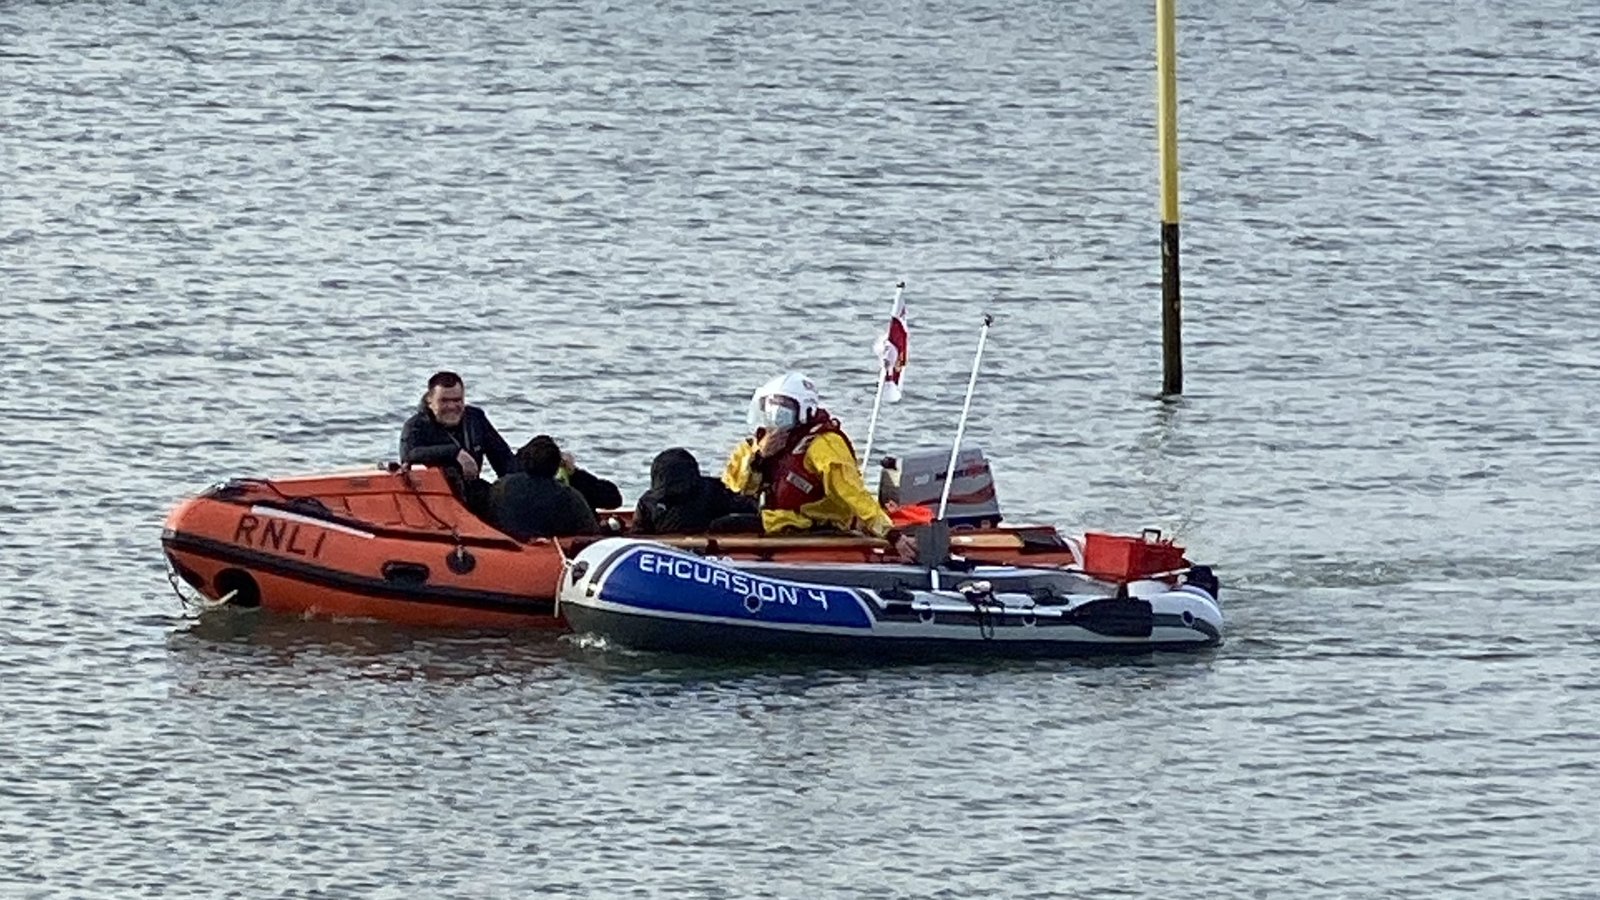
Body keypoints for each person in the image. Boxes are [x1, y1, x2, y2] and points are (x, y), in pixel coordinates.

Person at [722, 372, 915, 559]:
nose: (776, 413)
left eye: (784, 406)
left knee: (724, 525)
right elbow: (735, 489)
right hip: (772, 518)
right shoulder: (760, 444)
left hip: (807, 525)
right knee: (712, 501)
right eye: (772, 405)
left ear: (804, 410)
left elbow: (853, 494)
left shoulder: (823, 445)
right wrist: (759, 458)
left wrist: (891, 534)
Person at [398, 371, 515, 514]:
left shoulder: (475, 419)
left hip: (472, 493)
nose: (452, 406)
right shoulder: (415, 425)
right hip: (433, 501)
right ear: (430, 401)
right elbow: (409, 454)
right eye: (444, 401)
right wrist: (455, 452)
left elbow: (505, 461)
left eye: (457, 400)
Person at [487, 435, 598, 540]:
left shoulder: (501, 487)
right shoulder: (571, 498)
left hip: (511, 544)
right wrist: (575, 474)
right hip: (553, 547)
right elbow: (590, 533)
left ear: (524, 460)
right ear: (557, 465)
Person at [632, 447, 758, 535]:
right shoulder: (709, 490)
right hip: (703, 545)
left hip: (696, 544)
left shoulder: (647, 501)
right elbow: (747, 505)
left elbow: (637, 534)